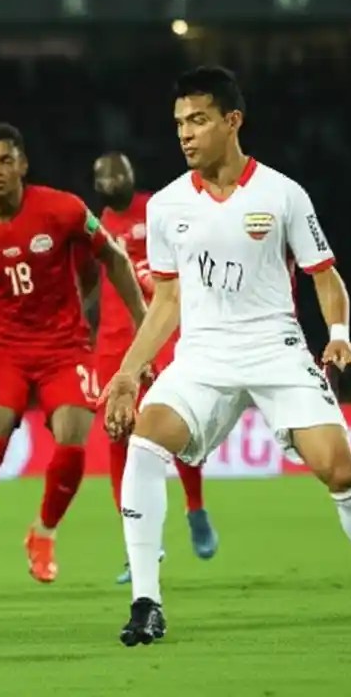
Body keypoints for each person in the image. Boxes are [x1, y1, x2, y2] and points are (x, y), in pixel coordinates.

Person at [104, 66, 351, 646]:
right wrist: (127, 372)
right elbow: (166, 300)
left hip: (275, 349)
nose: (185, 133)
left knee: (340, 470)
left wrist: (337, 331)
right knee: (145, 441)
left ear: (232, 121)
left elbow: (324, 274)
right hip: (203, 355)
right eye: (180, 122)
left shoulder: (282, 194)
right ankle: (145, 603)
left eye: (199, 120)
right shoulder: (165, 206)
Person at [0, 123, 149, 599]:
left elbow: (113, 259)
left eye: (5, 160)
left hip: (63, 346)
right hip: (3, 350)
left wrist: (144, 326)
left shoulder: (63, 209)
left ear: (23, 165)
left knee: (73, 444)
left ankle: (43, 533)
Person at [91, 151, 217, 585]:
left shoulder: (160, 208)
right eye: (103, 177)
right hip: (113, 343)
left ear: (131, 174)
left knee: (176, 427)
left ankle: (195, 508)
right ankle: (138, 545)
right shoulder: (96, 227)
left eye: (118, 173)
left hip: (162, 334)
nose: (111, 181)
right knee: (117, 437)